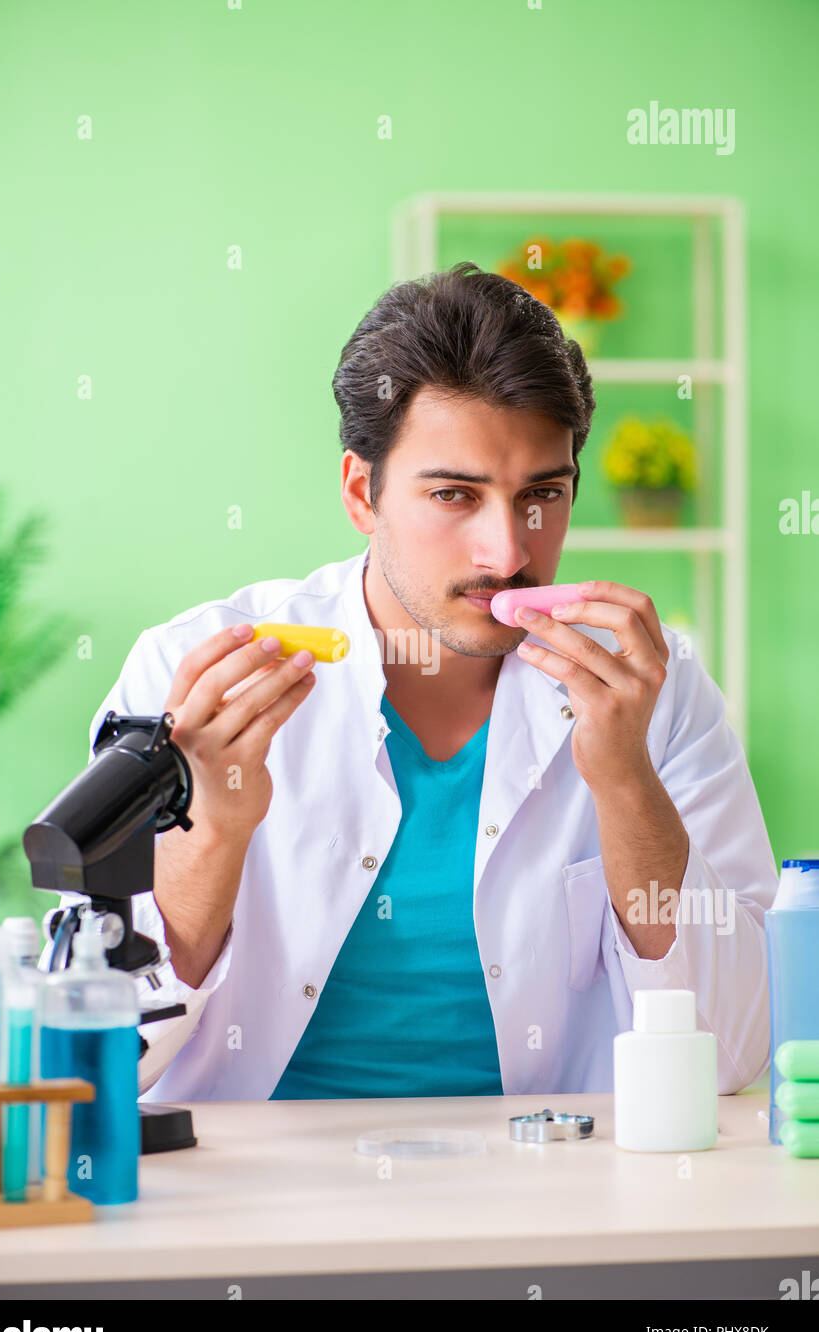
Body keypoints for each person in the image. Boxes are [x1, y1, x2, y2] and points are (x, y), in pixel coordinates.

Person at [53, 262, 778, 1101]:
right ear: (363, 493)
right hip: (249, 1199)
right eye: (453, 495)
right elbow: (93, 1058)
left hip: (556, 1192)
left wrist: (622, 779)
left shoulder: (655, 689)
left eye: (540, 494)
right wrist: (212, 833)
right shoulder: (195, 672)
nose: (506, 554)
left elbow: (733, 1053)